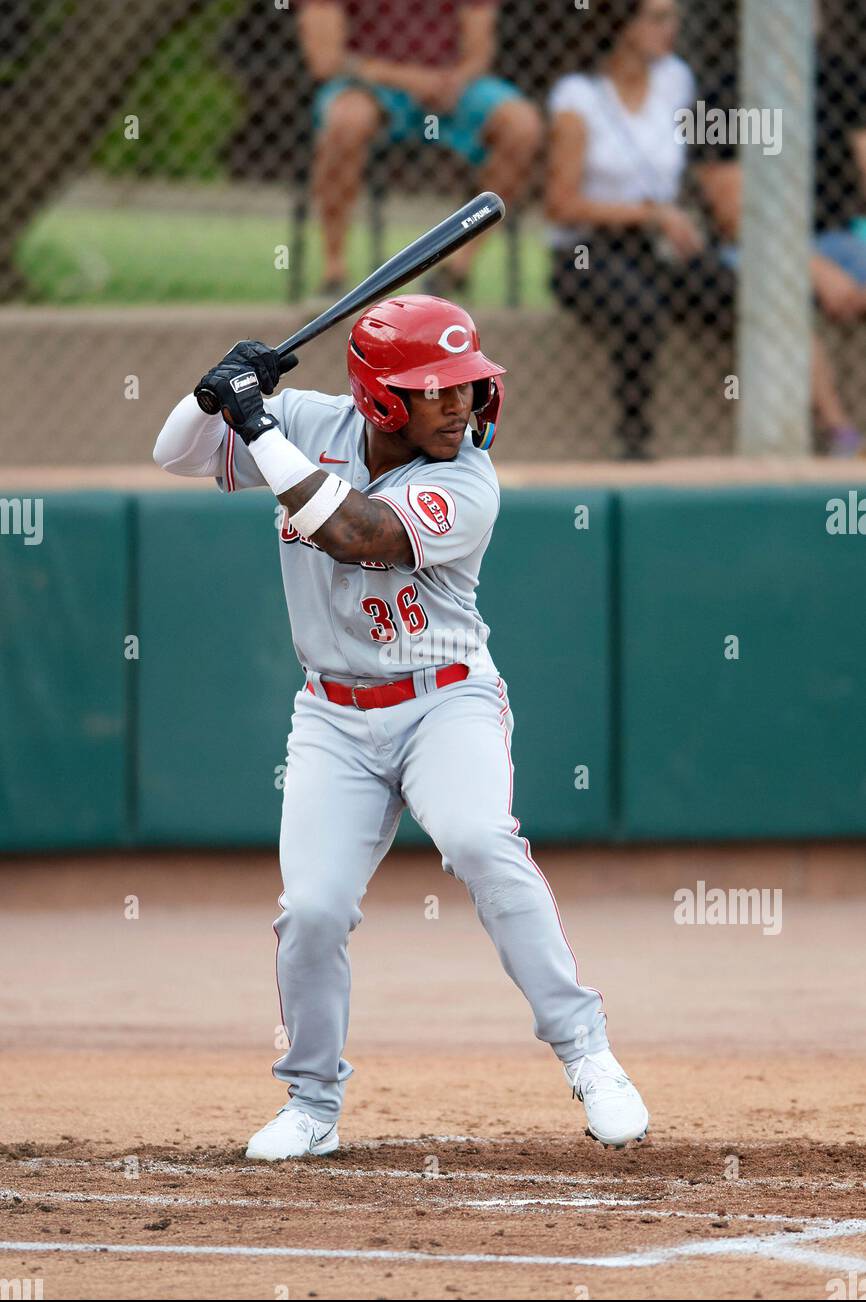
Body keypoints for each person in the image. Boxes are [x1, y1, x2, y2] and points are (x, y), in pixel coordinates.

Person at [152, 294, 649, 1159]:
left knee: (479, 838)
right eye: (436, 390)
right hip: (333, 714)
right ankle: (310, 1105)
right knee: (310, 908)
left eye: (466, 386)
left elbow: (354, 533)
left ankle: (588, 1053)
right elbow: (173, 456)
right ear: (383, 398)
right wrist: (212, 394)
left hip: (444, 698)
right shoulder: (307, 419)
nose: (460, 404)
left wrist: (258, 424)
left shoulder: (466, 480)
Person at [545, 0, 733, 460]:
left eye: (675, 17)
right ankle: (635, 443)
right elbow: (561, 204)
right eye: (659, 18)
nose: (673, 28)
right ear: (624, 24)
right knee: (639, 310)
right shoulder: (579, 95)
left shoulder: (676, 80)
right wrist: (650, 215)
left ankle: (753, 423)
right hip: (586, 251)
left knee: (729, 293)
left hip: (654, 247)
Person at [695, 0, 866, 456]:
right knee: (779, 287)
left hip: (839, 240)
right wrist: (813, 268)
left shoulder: (839, 77)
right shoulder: (723, 90)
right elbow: (733, 216)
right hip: (754, 247)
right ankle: (841, 432)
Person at [295, 0, 542, 294]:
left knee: (522, 125)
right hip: (370, 84)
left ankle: (456, 267)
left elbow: (479, 52)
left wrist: (452, 82)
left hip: (451, 85)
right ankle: (335, 272)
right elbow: (325, 59)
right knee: (346, 121)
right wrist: (411, 80)